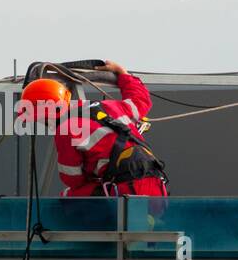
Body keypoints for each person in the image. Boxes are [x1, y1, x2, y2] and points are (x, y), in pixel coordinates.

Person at [20, 60, 168, 197]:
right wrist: (122, 73)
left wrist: (92, 170)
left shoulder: (65, 130)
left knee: (68, 197)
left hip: (125, 191)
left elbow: (72, 179)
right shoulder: (110, 107)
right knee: (150, 223)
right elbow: (141, 100)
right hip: (157, 186)